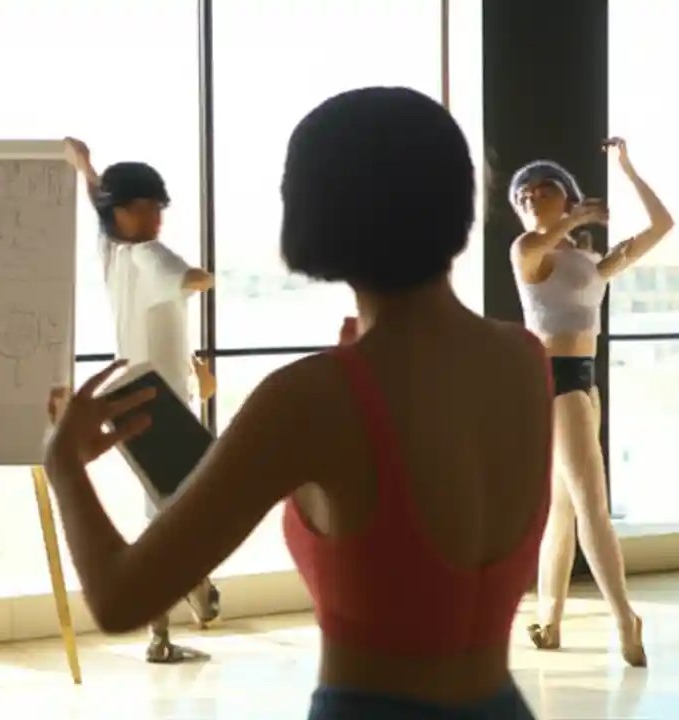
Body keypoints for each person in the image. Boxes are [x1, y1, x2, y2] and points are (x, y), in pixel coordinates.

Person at [46, 87, 552, 718]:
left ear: (316, 212)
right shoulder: (523, 358)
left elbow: (121, 598)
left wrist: (63, 463)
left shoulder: (313, 397)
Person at [509, 138, 673, 668]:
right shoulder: (526, 251)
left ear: (566, 195)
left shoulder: (587, 262)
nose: (533, 194)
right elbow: (538, 245)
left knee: (566, 506)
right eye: (524, 192)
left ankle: (551, 620)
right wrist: (571, 218)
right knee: (587, 506)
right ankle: (624, 617)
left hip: (583, 384)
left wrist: (626, 168)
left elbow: (660, 226)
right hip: (552, 383)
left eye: (544, 187)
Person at [61, 137, 221, 664]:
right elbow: (191, 279)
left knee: (169, 507)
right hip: (164, 400)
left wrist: (87, 168)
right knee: (174, 514)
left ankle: (187, 597)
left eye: (157, 207)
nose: (154, 216)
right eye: (143, 207)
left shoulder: (112, 250)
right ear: (122, 212)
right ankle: (167, 621)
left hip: (132, 392)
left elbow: (97, 203)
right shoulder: (150, 254)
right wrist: (209, 278)